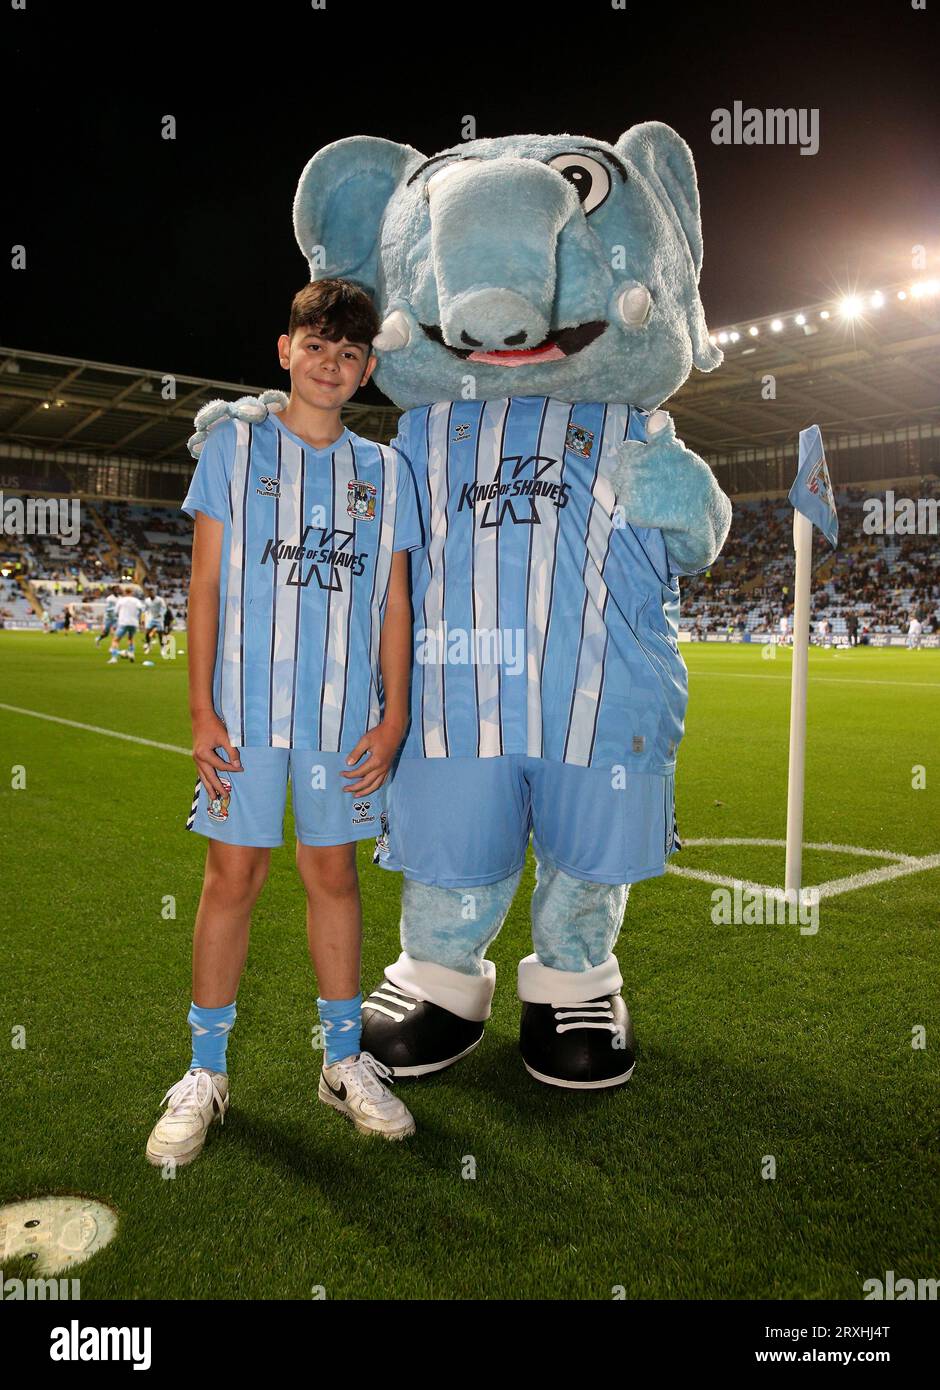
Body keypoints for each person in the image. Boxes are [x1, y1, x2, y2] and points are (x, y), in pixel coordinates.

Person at [146, 279, 423, 1168]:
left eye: (349, 354)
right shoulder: (234, 446)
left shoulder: (385, 471)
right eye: (317, 346)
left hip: (343, 721)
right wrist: (199, 710)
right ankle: (205, 1073)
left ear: (368, 367)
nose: (331, 365)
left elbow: (393, 604)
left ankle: (343, 1062)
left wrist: (394, 720)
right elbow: (206, 585)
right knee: (232, 876)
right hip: (245, 713)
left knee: (333, 875)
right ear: (285, 350)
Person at [108, 587, 144, 663]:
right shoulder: (136, 600)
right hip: (134, 623)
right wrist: (139, 617)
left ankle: (114, 658)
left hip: (123, 622)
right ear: (132, 593)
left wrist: (119, 616)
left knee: (116, 640)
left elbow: (115, 612)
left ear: (125, 592)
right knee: (130, 639)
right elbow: (141, 609)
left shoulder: (121, 600)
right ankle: (131, 653)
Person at [143, 589, 167, 653]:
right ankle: (148, 646)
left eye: (152, 593)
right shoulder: (147, 600)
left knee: (160, 634)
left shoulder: (160, 599)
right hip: (152, 618)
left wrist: (161, 614)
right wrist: (144, 613)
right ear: (148, 594)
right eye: (150, 593)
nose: (151, 594)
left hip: (159, 619)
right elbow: (145, 608)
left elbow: (164, 608)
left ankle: (162, 648)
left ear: (154, 593)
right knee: (147, 632)